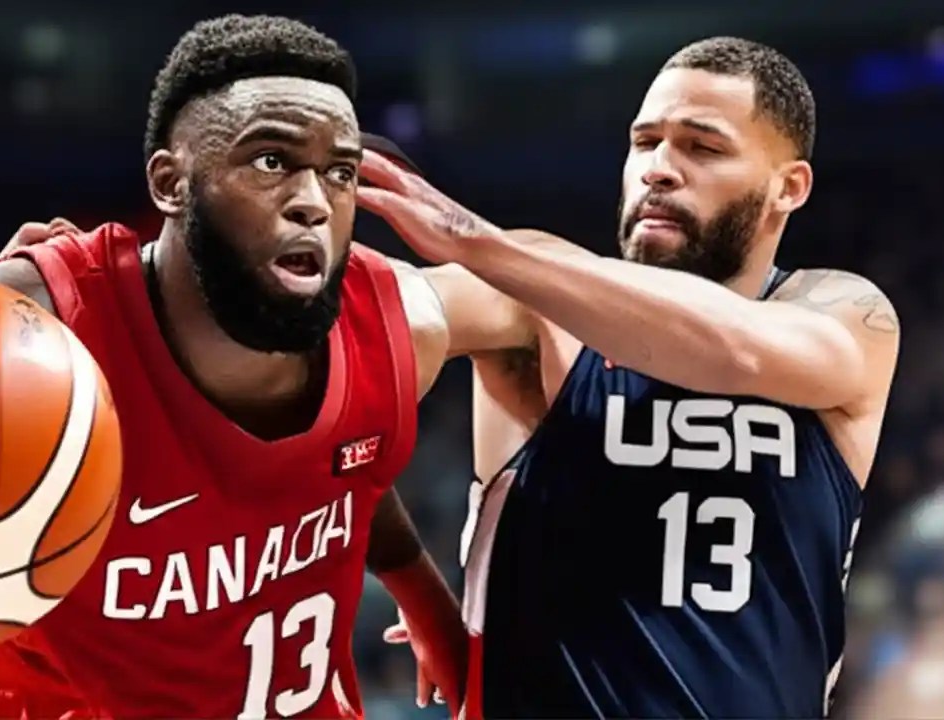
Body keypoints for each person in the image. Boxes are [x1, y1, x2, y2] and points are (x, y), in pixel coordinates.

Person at [0, 14, 541, 720]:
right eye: (272, 161)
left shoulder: (396, 324)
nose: (313, 200)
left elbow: (363, 443)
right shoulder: (30, 326)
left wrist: (430, 595)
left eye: (339, 172)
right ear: (171, 182)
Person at [362, 37, 900, 718]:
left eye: (702, 148)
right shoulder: (528, 299)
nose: (659, 170)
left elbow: (735, 350)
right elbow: (353, 347)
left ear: (788, 187)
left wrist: (474, 241)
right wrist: (413, 579)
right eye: (645, 143)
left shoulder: (845, 310)